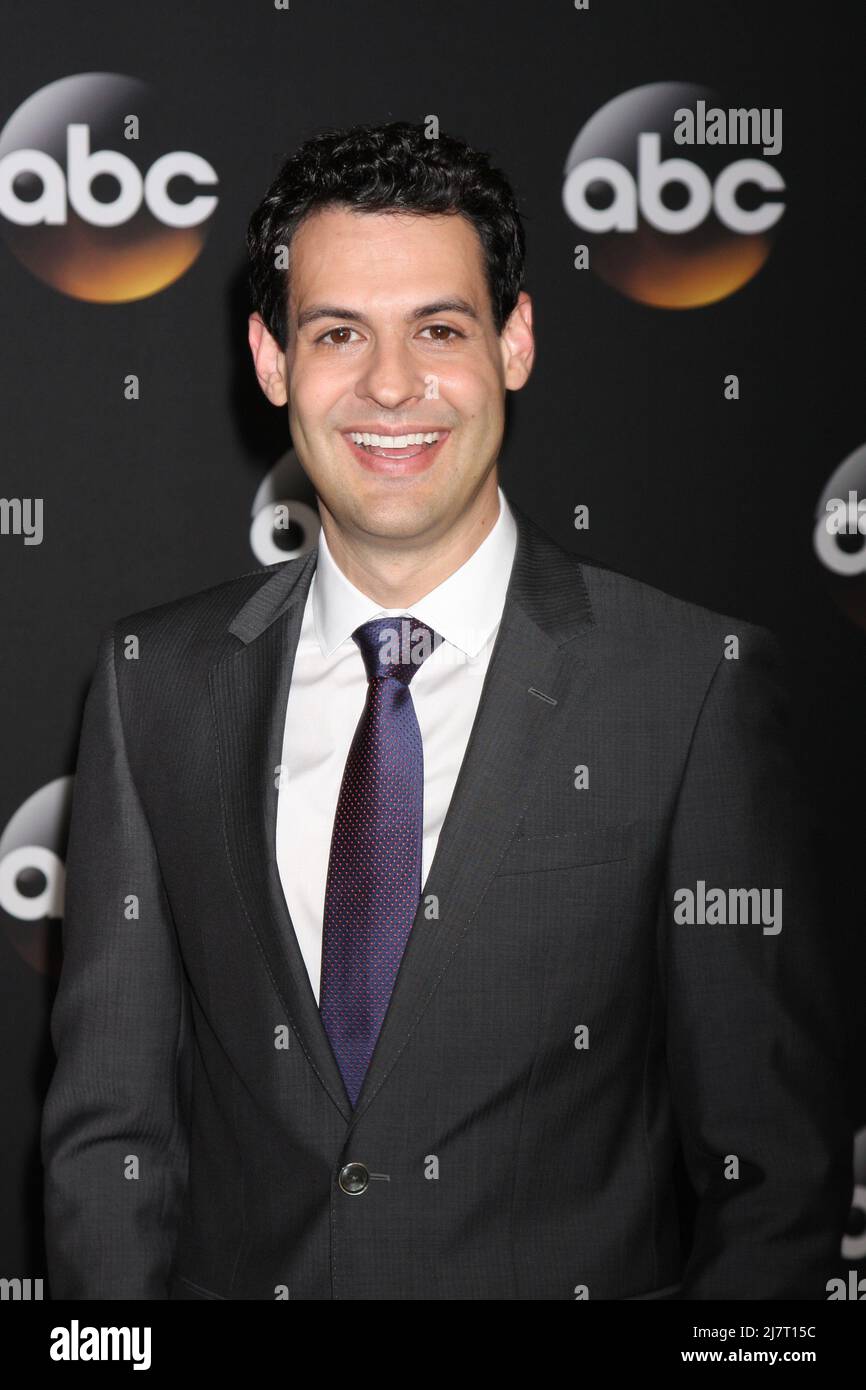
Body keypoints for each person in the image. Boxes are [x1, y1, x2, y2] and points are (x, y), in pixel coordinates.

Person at [42, 120, 852, 1300]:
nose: (387, 386)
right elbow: (109, 1140)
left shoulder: (686, 686)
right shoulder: (152, 681)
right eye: (336, 334)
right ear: (272, 361)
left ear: (514, 343)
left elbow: (771, 1180)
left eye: (437, 328)